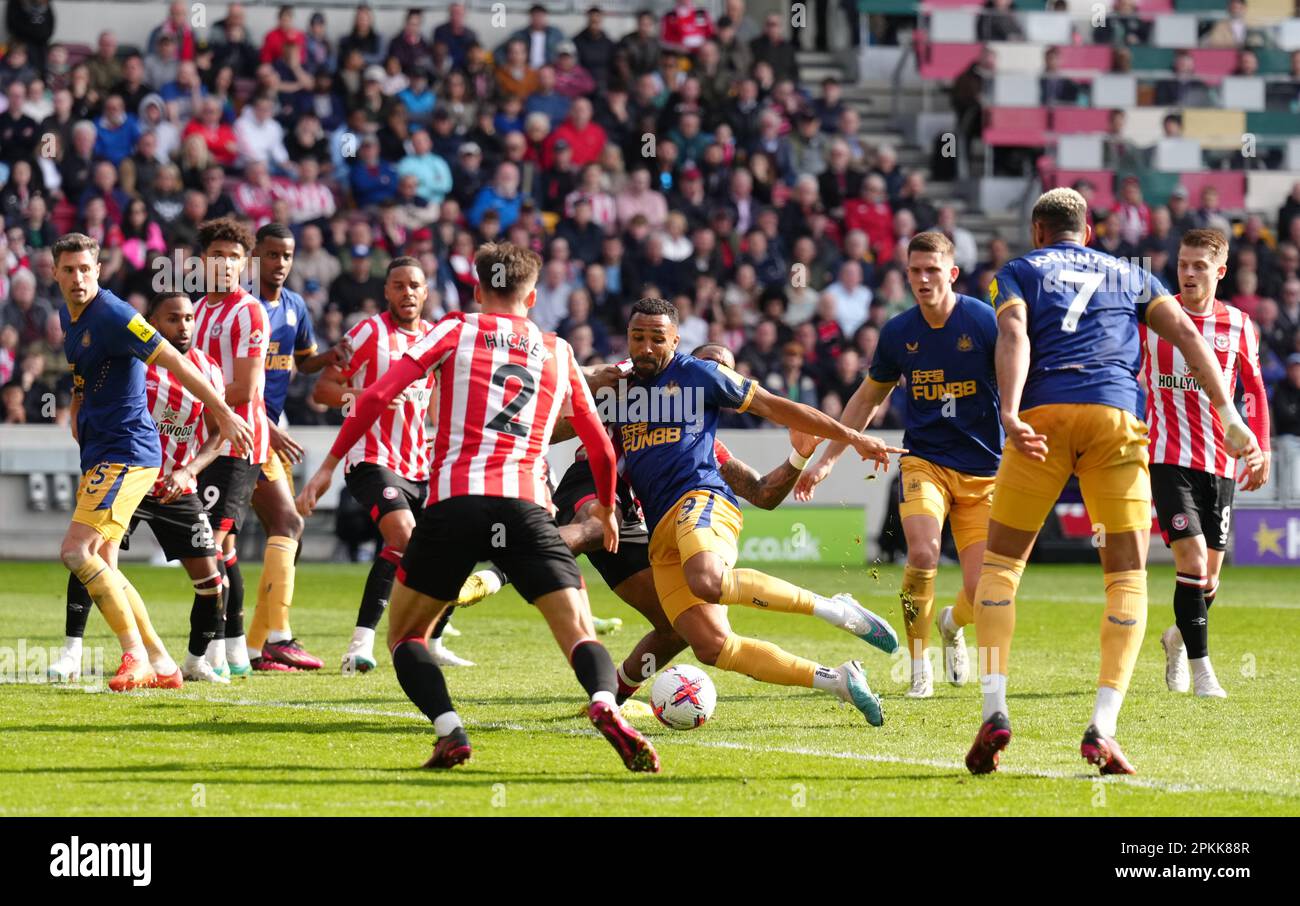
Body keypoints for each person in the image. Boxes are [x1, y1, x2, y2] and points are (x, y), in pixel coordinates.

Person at [298, 243, 659, 772]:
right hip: (527, 508)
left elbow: (375, 397)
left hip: (454, 505)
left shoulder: (452, 330)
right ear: (532, 295)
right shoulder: (556, 350)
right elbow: (600, 447)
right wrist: (605, 508)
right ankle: (604, 703)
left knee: (404, 637)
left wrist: (330, 465)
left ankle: (450, 731)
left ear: (476, 290)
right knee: (579, 633)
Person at [965, 188, 1260, 776]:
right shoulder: (1132, 275)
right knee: (1126, 576)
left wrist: (1010, 413)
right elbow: (1191, 339)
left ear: (1038, 231)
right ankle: (1103, 727)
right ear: (1089, 231)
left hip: (1044, 416)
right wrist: (1230, 416)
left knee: (1000, 570)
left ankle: (995, 710)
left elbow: (1015, 336)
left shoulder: (1018, 271)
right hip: (1115, 419)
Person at [581, 297, 903, 727]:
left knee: (708, 580)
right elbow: (571, 409)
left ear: (675, 341)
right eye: (638, 337)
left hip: (700, 499)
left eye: (657, 339)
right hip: (660, 532)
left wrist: (851, 437)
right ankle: (837, 680)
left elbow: (775, 407)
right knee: (711, 646)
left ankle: (835, 608)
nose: (646, 346)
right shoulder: (619, 389)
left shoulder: (697, 375)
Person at [458, 344, 827, 713]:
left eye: (725, 374)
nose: (716, 378)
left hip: (638, 525)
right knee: (598, 527)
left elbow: (762, 493)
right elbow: (561, 424)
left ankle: (610, 700)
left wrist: (800, 455)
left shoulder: (704, 446)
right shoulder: (632, 386)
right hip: (593, 481)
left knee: (679, 625)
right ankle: (497, 570)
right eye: (709, 367)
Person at [798, 232, 1002, 698]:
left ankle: (951, 623)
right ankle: (918, 663)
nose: (923, 279)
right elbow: (868, 397)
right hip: (923, 462)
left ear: (952, 273)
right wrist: (829, 458)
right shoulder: (898, 333)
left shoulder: (983, 322)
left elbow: (1017, 376)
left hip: (984, 470)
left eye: (933, 270)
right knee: (924, 554)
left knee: (982, 591)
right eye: (915, 271)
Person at [53, 231, 251, 691]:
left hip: (129, 454)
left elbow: (179, 365)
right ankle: (162, 663)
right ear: (55, 273)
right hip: (104, 455)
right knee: (103, 560)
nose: (78, 277)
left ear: (98, 271)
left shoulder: (116, 314)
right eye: (69, 269)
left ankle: (135, 657)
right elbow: (84, 383)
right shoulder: (72, 318)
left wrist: (221, 411)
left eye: (86, 269)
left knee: (76, 552)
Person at [311, 257, 470, 672]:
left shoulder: (435, 337)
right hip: (372, 459)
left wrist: (444, 440)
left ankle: (432, 639)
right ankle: (359, 646)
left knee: (454, 544)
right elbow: (323, 391)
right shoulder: (367, 332)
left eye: (415, 285)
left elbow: (435, 396)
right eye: (398, 285)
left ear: (426, 290)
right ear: (387, 291)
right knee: (402, 535)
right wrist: (367, 395)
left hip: (421, 463)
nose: (408, 293)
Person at [1139, 230, 1270, 698]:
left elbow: (1252, 389)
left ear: (1220, 271)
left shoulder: (1239, 324)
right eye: (1183, 264)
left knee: (1209, 579)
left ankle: (1176, 639)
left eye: (1199, 265)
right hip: (1167, 456)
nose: (1189, 273)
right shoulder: (1154, 318)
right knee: (1191, 561)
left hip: (1221, 463)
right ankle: (1202, 672)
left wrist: (1261, 447)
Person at [236, 223, 351, 671]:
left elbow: (302, 363)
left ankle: (255, 645)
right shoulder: (242, 310)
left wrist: (332, 356)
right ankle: (264, 640)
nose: (280, 263)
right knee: (278, 527)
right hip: (240, 431)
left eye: (286, 256)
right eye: (271, 255)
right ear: (255, 258)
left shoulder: (295, 307)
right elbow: (227, 379)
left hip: (267, 432)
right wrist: (267, 425)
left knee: (287, 533)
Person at [190, 218, 273, 678]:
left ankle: (209, 653)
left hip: (237, 443)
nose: (224, 263)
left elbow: (245, 388)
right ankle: (237, 648)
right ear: (203, 261)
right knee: (223, 551)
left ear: (245, 264)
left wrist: (198, 407)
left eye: (233, 257)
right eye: (216, 255)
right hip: (201, 443)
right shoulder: (197, 311)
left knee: (209, 543)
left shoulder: (250, 313)